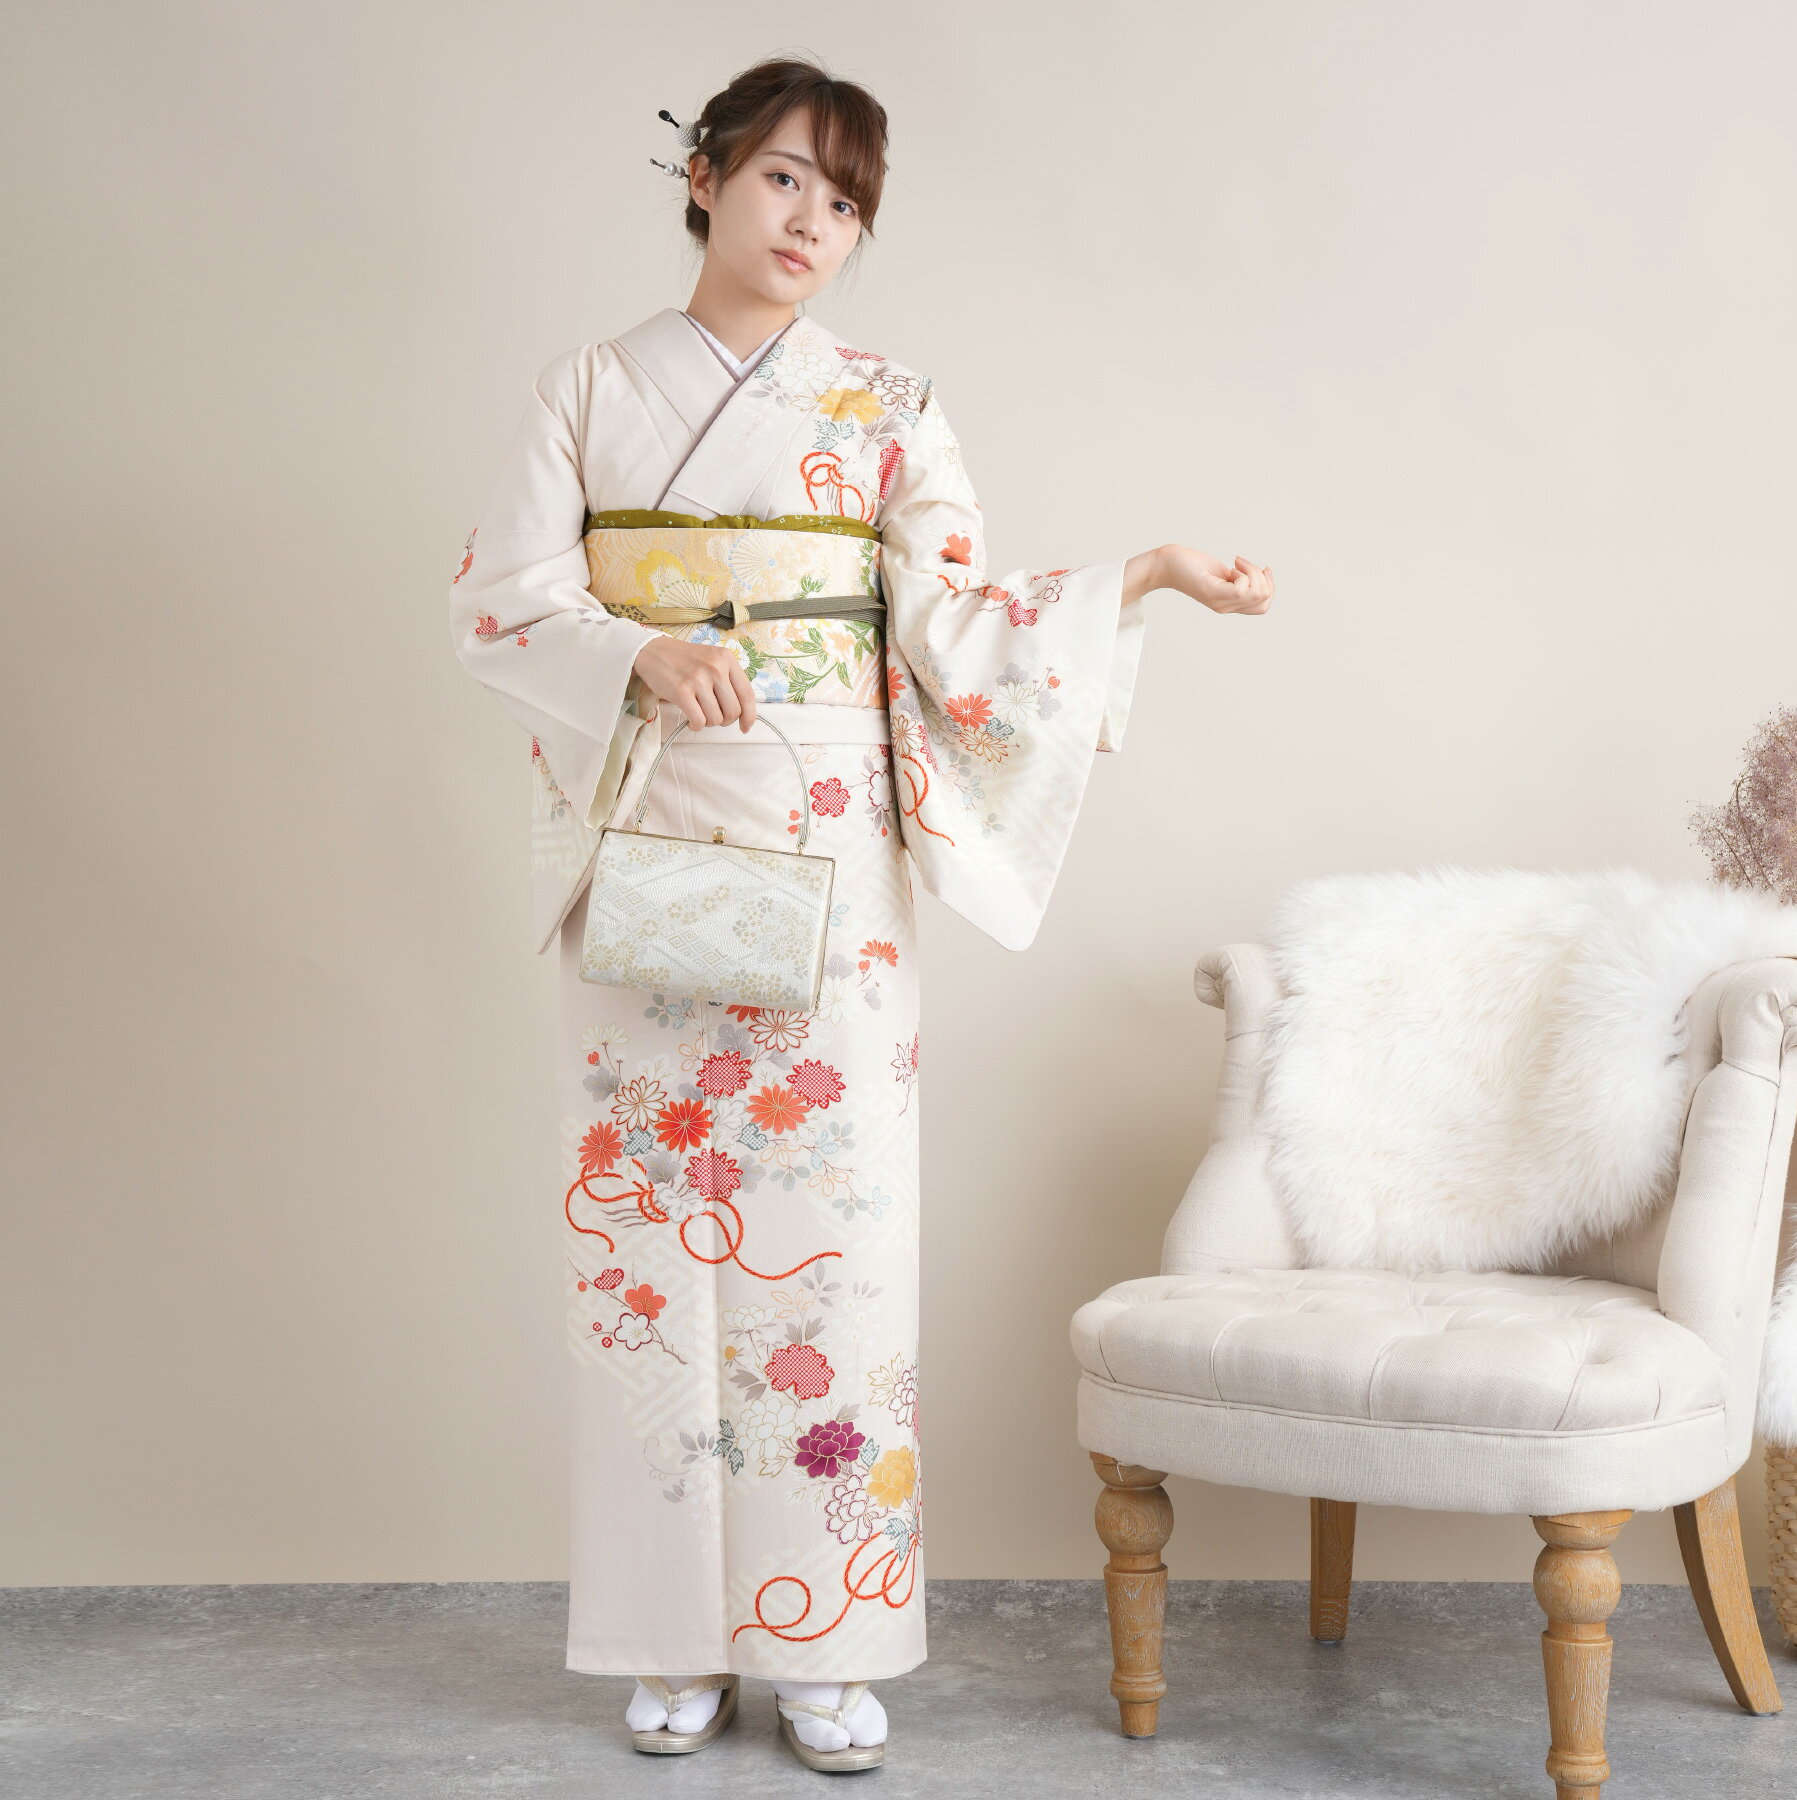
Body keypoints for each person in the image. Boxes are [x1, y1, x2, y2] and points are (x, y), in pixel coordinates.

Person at [447, 54, 1274, 1774]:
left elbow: (957, 620)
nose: (811, 222)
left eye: (845, 202)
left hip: (831, 850)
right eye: (782, 180)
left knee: (833, 1239)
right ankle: (675, 1639)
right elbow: (506, 597)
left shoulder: (889, 403)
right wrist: (638, 651)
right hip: (653, 825)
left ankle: (825, 1640)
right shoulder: (587, 389)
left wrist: (1134, 578)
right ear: (703, 176)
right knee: (649, 1254)